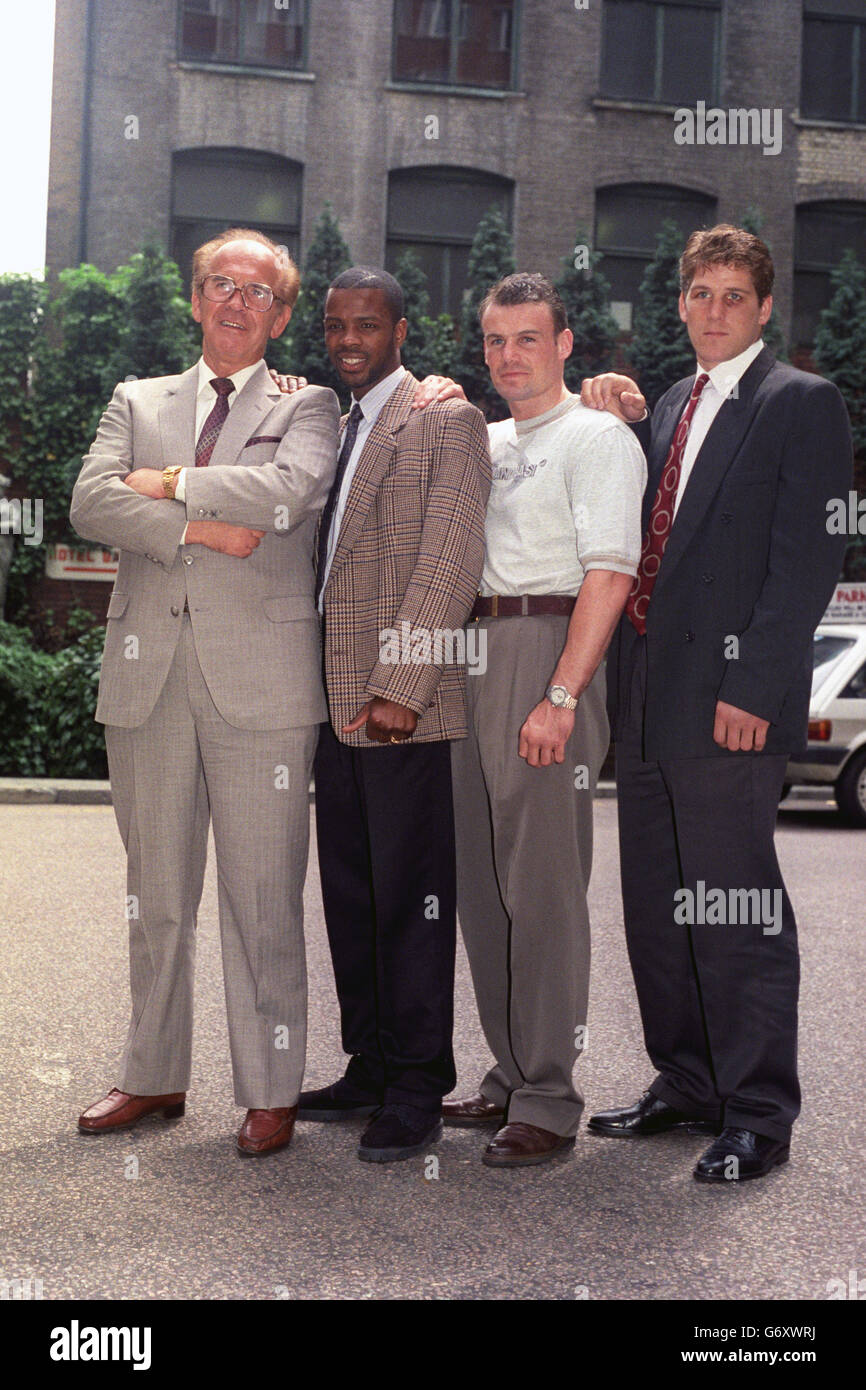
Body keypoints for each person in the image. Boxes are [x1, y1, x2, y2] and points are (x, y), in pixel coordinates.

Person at [581, 224, 853, 1182]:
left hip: (731, 697)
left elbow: (806, 560)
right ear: (682, 300)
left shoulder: (801, 403)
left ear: (767, 307)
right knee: (657, 906)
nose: (714, 310)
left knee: (735, 910)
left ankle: (758, 1111)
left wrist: (756, 685)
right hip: (650, 695)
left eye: (735, 295)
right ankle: (688, 1082)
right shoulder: (668, 407)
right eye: (701, 293)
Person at [71, 228, 340, 1157]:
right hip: (148, 679)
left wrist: (174, 483)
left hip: (261, 687)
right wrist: (198, 531)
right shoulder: (135, 399)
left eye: (258, 292)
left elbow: (288, 495)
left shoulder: (312, 407)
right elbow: (90, 500)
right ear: (195, 299)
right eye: (220, 284)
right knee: (156, 895)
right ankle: (153, 1075)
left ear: (282, 313)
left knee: (264, 900)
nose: (236, 301)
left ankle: (271, 1090)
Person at [412, 273, 646, 1166]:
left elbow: (611, 574)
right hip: (470, 654)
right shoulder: (487, 438)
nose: (510, 356)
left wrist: (561, 695)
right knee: (483, 886)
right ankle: (509, 1073)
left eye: (528, 338)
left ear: (565, 344)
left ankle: (550, 1097)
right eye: (495, 341)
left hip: (546, 649)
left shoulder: (598, 436)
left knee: (543, 887)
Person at [296, 267, 491, 1163]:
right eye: (336, 325)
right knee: (352, 896)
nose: (347, 339)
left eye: (366, 325)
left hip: (400, 707)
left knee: (412, 904)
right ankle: (370, 1063)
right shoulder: (335, 426)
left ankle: (417, 1083)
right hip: (331, 709)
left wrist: (399, 689)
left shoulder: (443, 417)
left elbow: (449, 558)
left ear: (400, 331)